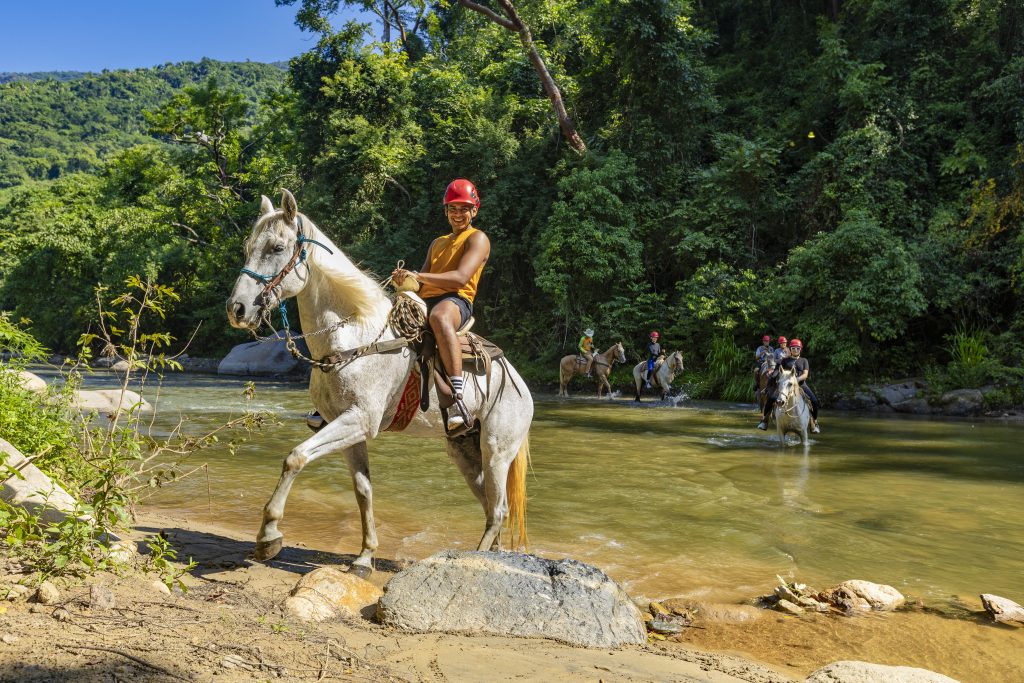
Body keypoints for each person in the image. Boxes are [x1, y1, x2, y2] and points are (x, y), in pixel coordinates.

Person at [391, 178, 491, 432]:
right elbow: (421, 287)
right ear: (446, 211)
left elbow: (460, 278)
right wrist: (405, 281)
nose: (458, 214)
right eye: (453, 209)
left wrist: (420, 276)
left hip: (457, 300)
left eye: (464, 209)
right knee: (387, 317)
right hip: (429, 300)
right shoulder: (437, 243)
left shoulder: (477, 238)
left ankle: (457, 396)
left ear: (474, 211)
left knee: (439, 317)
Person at [787, 339, 820, 433]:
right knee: (772, 397)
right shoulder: (785, 361)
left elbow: (805, 374)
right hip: (787, 385)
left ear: (800, 349)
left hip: (801, 384)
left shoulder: (804, 360)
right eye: (793, 348)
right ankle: (765, 419)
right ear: (790, 349)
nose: (795, 350)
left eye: (797, 348)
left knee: (814, 400)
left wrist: (796, 380)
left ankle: (814, 422)